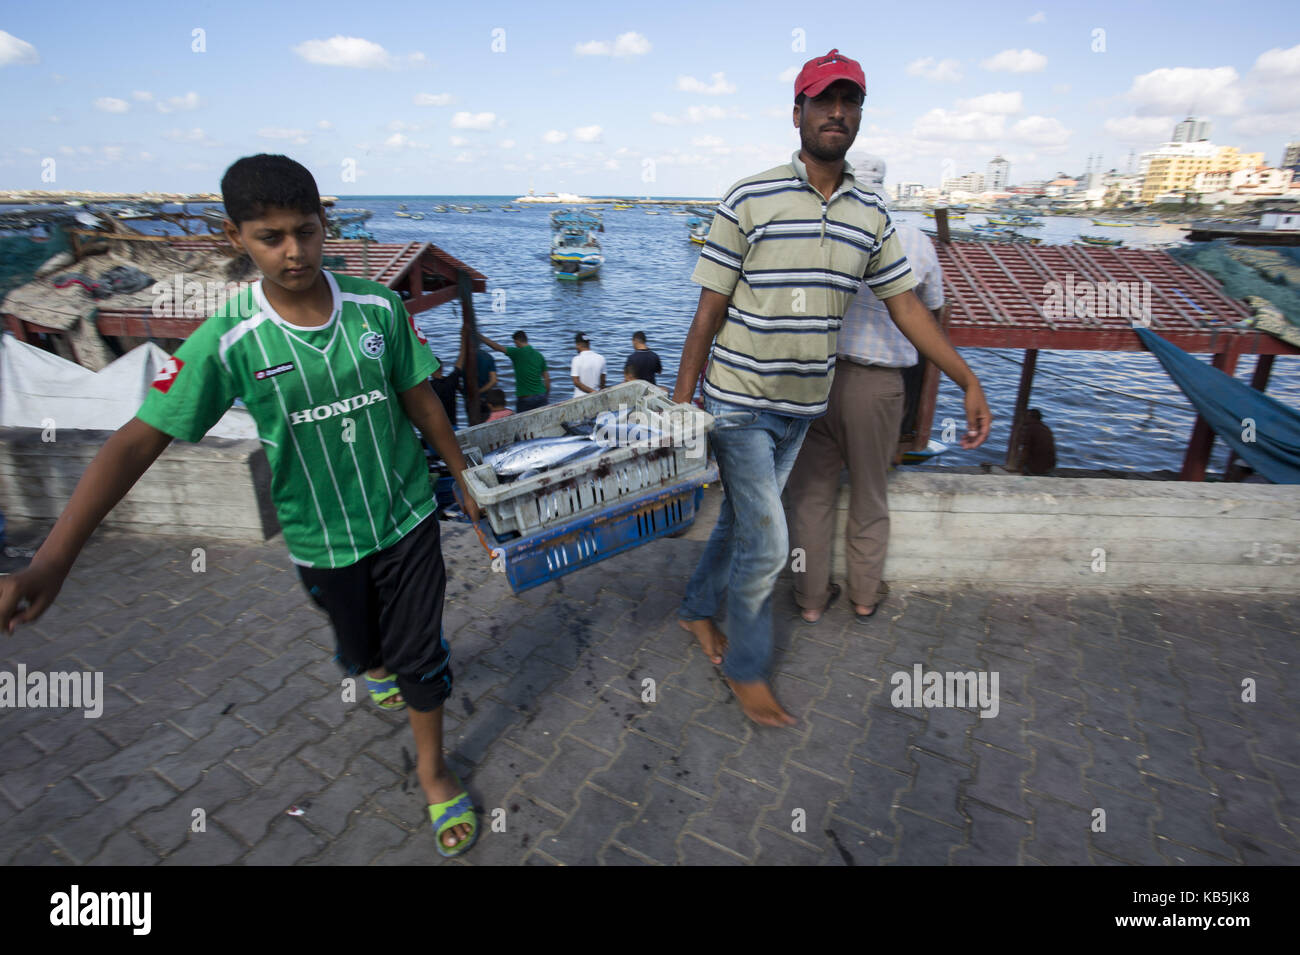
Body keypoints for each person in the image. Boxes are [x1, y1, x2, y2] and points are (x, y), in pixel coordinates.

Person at [0, 154, 481, 857]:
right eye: (272, 236)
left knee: (422, 658)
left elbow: (418, 397)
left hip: (406, 515)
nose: (294, 252)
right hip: (321, 541)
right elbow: (135, 443)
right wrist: (53, 560)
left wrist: (464, 475)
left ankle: (434, 770)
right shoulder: (226, 341)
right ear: (237, 237)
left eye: (307, 231)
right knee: (362, 650)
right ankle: (373, 662)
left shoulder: (377, 308)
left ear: (326, 226)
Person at [672, 49, 991, 727]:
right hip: (739, 401)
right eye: (825, 101)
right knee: (766, 539)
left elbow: (907, 308)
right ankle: (749, 670)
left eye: (850, 104)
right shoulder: (748, 197)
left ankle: (697, 611)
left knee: (741, 521)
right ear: (798, 113)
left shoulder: (871, 217)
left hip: (802, 406)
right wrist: (680, 402)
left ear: (859, 118)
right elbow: (708, 312)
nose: (837, 113)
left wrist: (967, 377)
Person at [786, 156, 950, 624]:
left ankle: (811, 600)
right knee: (870, 495)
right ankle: (863, 595)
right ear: (888, 188)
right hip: (879, 387)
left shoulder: (822, 228)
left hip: (816, 379)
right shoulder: (916, 239)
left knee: (811, 497)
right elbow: (934, 309)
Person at [480, 329, 550, 412]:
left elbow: (496, 347)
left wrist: (479, 336)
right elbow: (547, 379)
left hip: (525, 398)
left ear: (517, 341)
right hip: (541, 395)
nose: (515, 345)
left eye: (514, 343)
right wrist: (546, 394)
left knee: (523, 424)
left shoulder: (516, 353)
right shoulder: (539, 355)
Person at [1016, 408, 1057, 475]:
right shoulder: (1046, 428)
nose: (1024, 420)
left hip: (1037, 469)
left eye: (1025, 417)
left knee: (1021, 469)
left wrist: (1019, 466)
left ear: (1031, 418)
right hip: (1050, 467)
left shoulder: (1030, 428)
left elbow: (1025, 450)